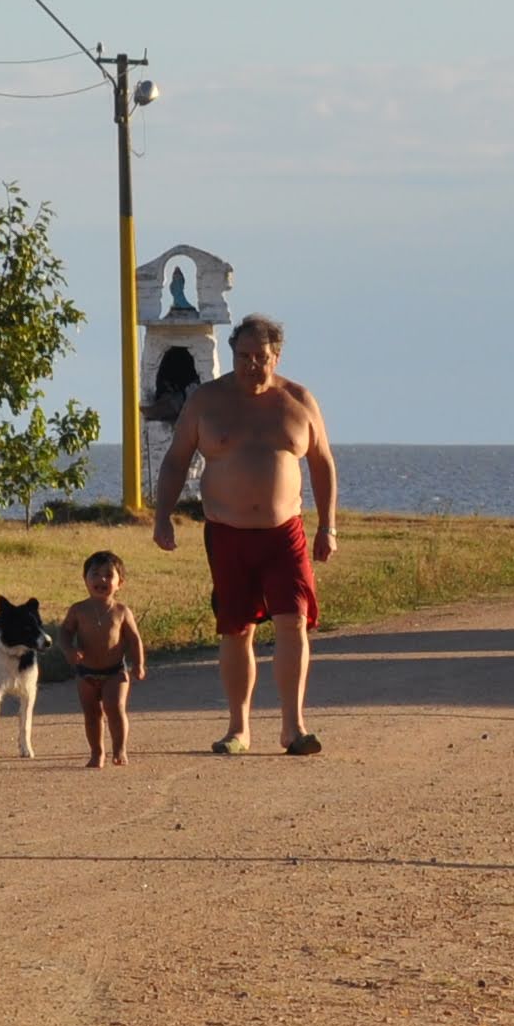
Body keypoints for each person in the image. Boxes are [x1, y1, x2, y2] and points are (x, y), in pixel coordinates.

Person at [155, 312, 339, 753]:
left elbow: (321, 463)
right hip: (228, 532)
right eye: (243, 356)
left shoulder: (298, 400)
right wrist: (162, 516)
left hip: (285, 533)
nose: (251, 365)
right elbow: (176, 459)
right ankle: (239, 728)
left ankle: (293, 727)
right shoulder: (206, 400)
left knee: (292, 622)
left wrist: (328, 526)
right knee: (236, 629)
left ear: (276, 356)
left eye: (260, 357)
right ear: (232, 354)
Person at [60, 548, 148, 767]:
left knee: (115, 708)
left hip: (115, 672)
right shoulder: (78, 610)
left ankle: (119, 749)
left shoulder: (121, 611)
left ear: (120, 583)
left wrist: (138, 664)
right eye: (95, 574)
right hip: (85, 672)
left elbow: (134, 639)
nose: (102, 579)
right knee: (91, 714)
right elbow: (64, 633)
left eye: (109, 575)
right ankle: (97, 752)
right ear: (85, 579)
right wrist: (69, 650)